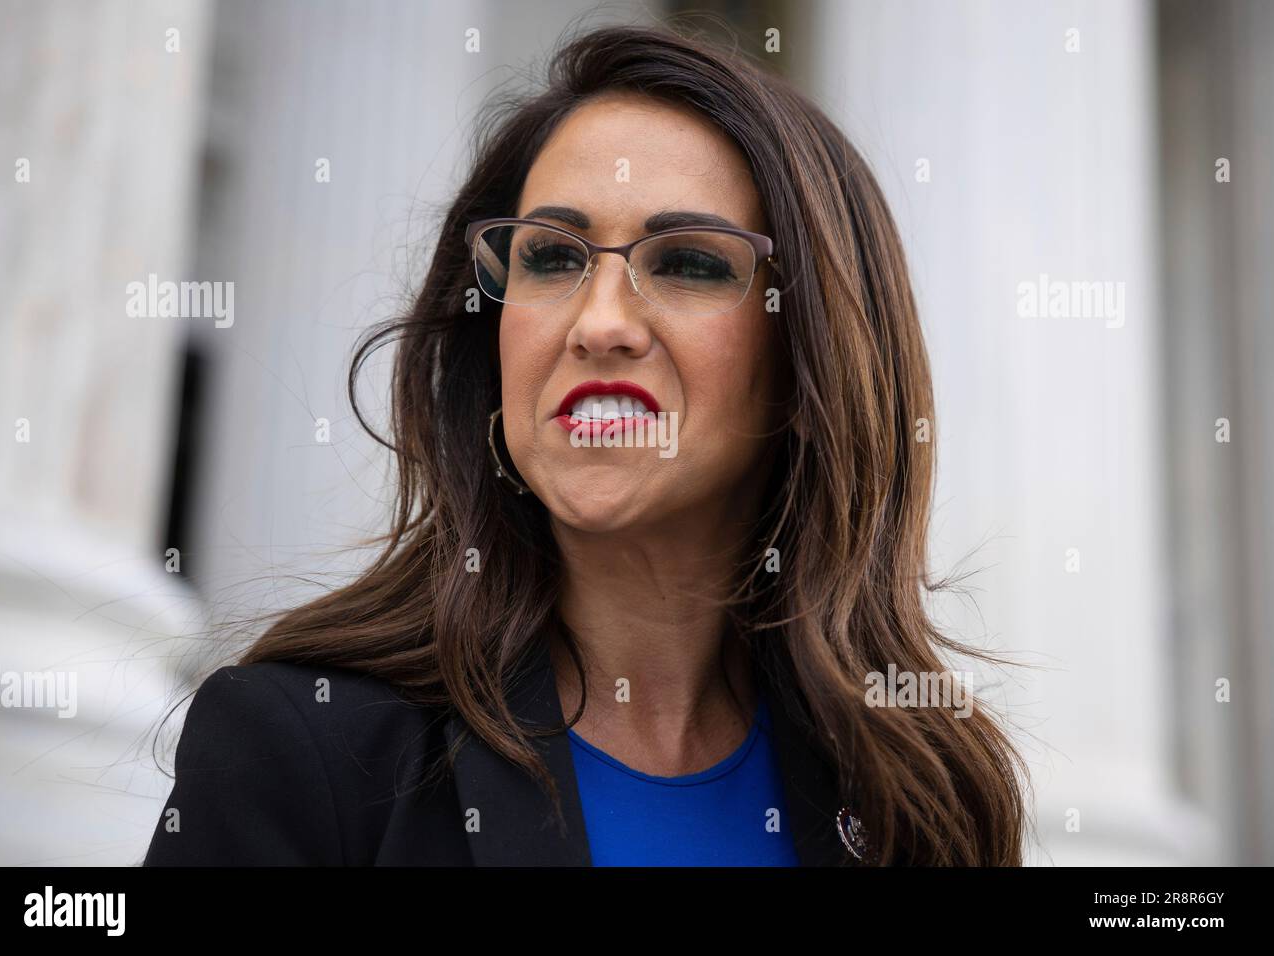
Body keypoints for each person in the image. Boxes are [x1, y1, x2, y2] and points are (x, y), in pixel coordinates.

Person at [144, 21, 1029, 867]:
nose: (598, 323)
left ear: (813, 361)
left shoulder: (921, 793)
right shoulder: (301, 746)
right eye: (553, 257)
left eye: (687, 262)